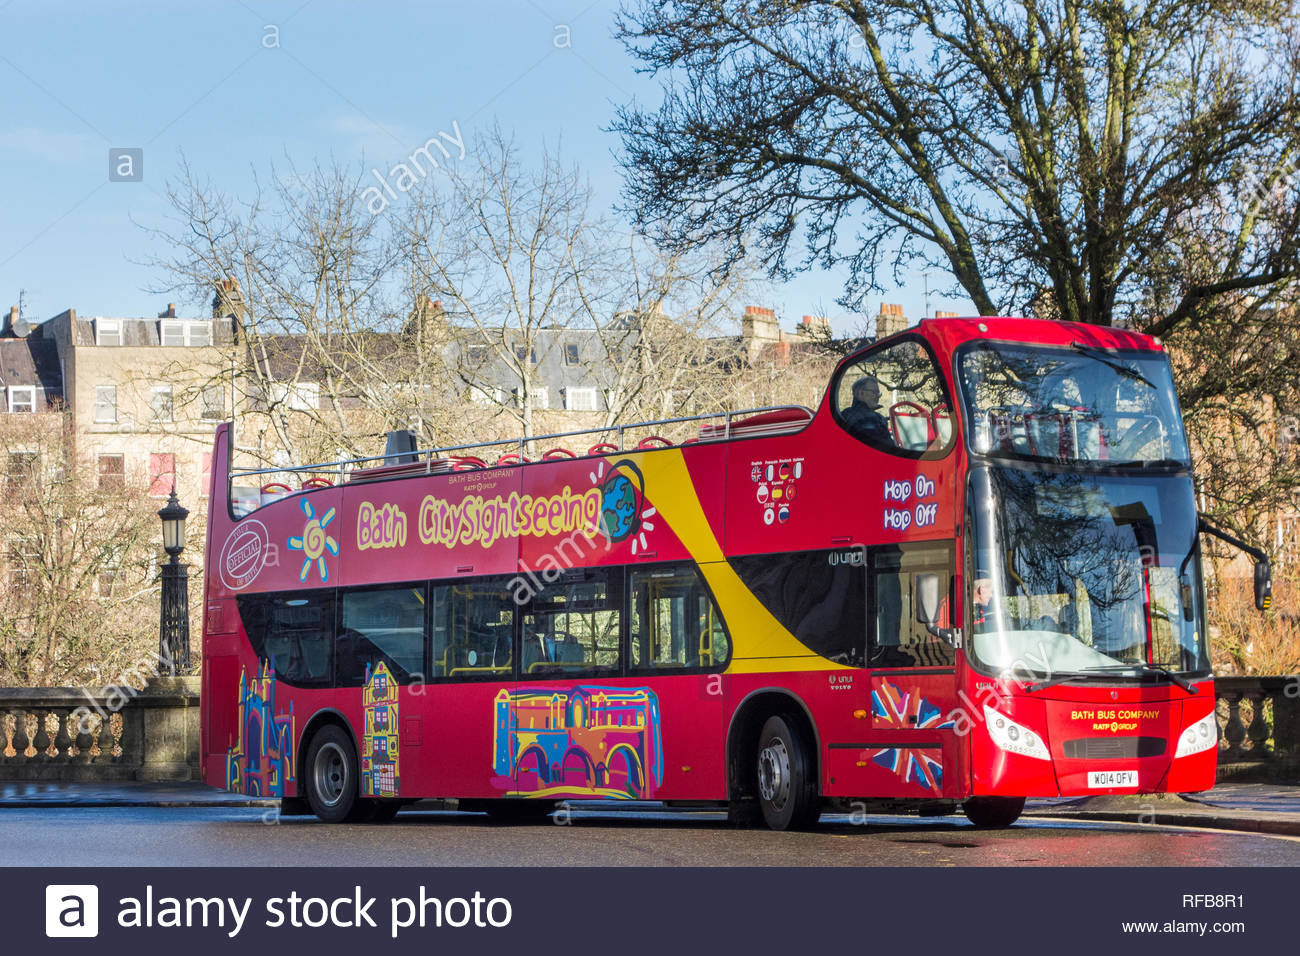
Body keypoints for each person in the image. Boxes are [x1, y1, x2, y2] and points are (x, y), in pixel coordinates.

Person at [841, 375, 893, 445]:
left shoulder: (846, 414)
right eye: (874, 393)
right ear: (861, 393)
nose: (877, 397)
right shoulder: (852, 416)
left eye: (878, 393)